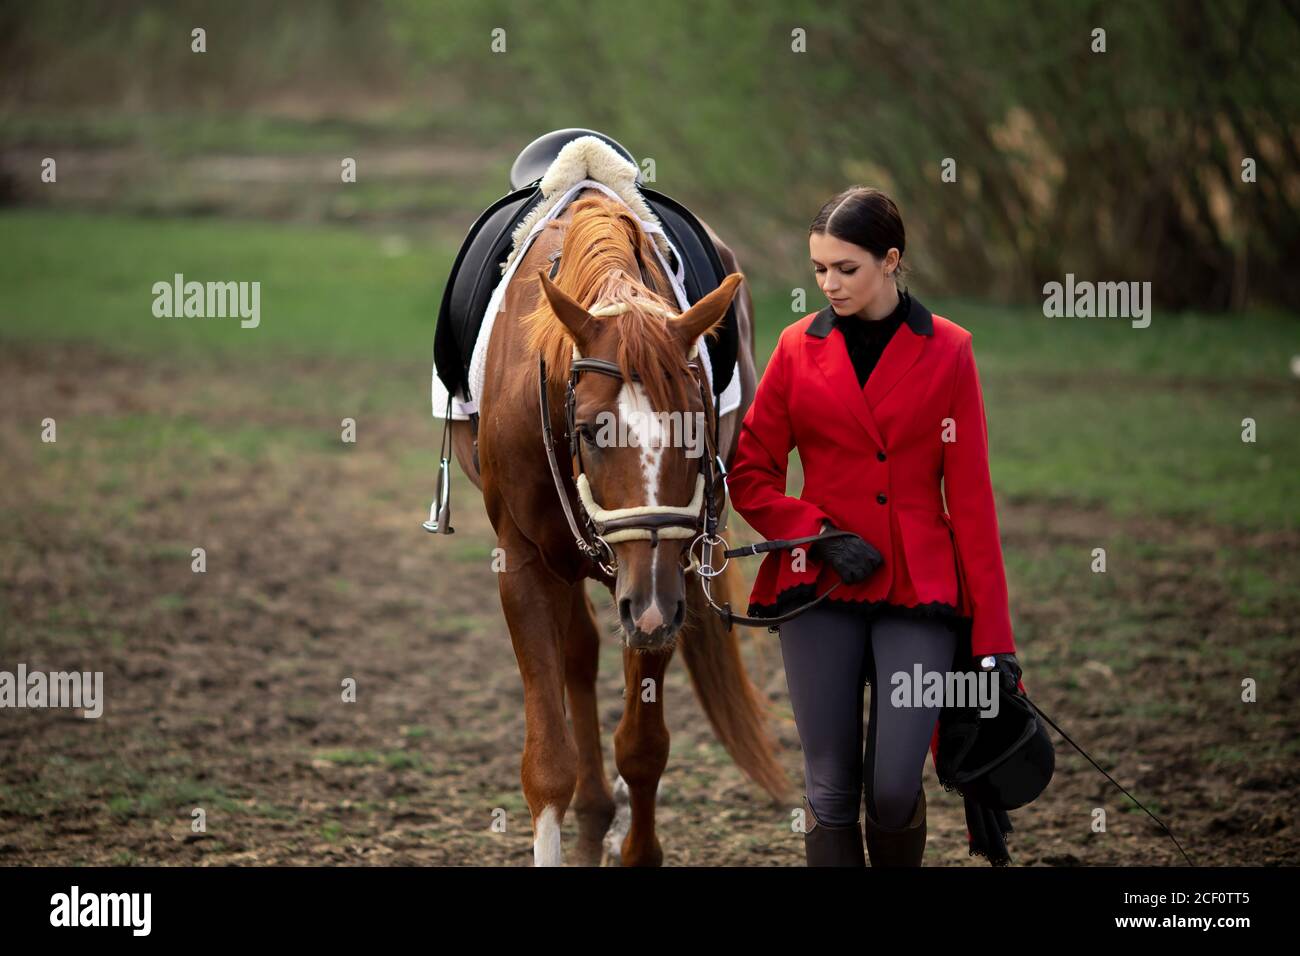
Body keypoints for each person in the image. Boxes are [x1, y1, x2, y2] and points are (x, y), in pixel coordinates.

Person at [726, 186, 1022, 866]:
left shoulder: (950, 350)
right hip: (817, 583)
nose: (829, 284)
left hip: (918, 589)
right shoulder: (796, 347)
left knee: (892, 787)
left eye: (846, 268)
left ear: (891, 261)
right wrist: (817, 532)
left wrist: (995, 639)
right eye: (819, 269)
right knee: (829, 791)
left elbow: (972, 503)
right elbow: (751, 472)